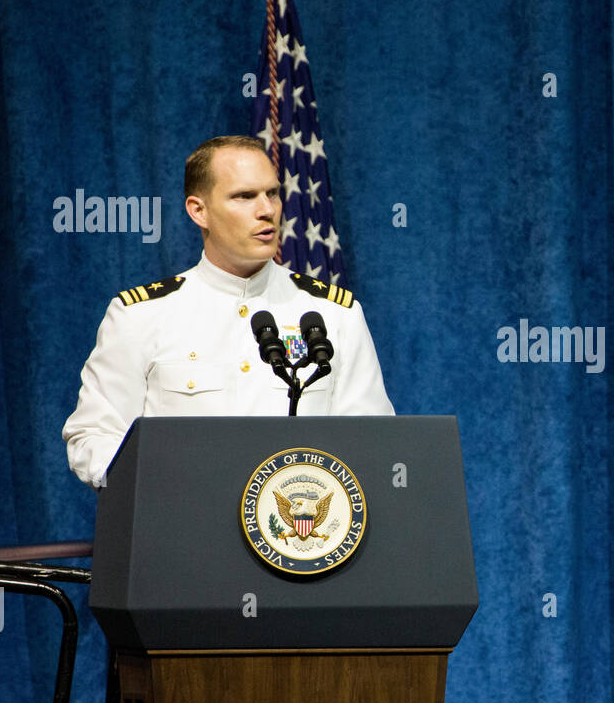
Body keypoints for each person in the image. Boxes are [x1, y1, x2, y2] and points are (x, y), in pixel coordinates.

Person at [63, 135, 394, 488]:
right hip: (180, 529)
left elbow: (372, 442)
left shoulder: (333, 314)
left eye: (273, 193)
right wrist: (158, 489)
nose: (267, 210)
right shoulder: (140, 315)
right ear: (198, 210)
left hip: (299, 530)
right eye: (244, 196)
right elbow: (93, 436)